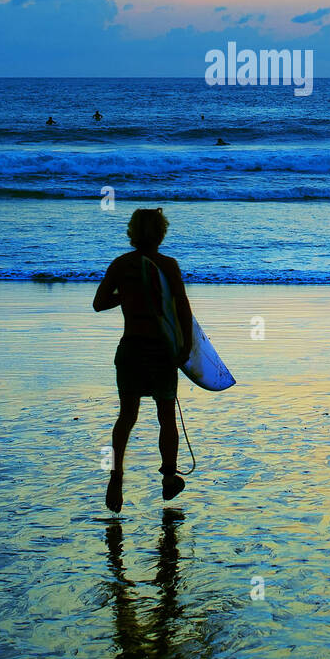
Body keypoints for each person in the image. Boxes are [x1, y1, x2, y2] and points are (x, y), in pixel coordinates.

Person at [93, 208, 193, 511]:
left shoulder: (121, 265)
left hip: (131, 350)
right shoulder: (168, 265)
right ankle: (168, 477)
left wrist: (128, 294)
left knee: (127, 416)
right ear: (161, 233)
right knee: (166, 416)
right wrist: (186, 347)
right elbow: (183, 308)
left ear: (132, 233)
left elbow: (99, 303)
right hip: (161, 350)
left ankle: (116, 475)